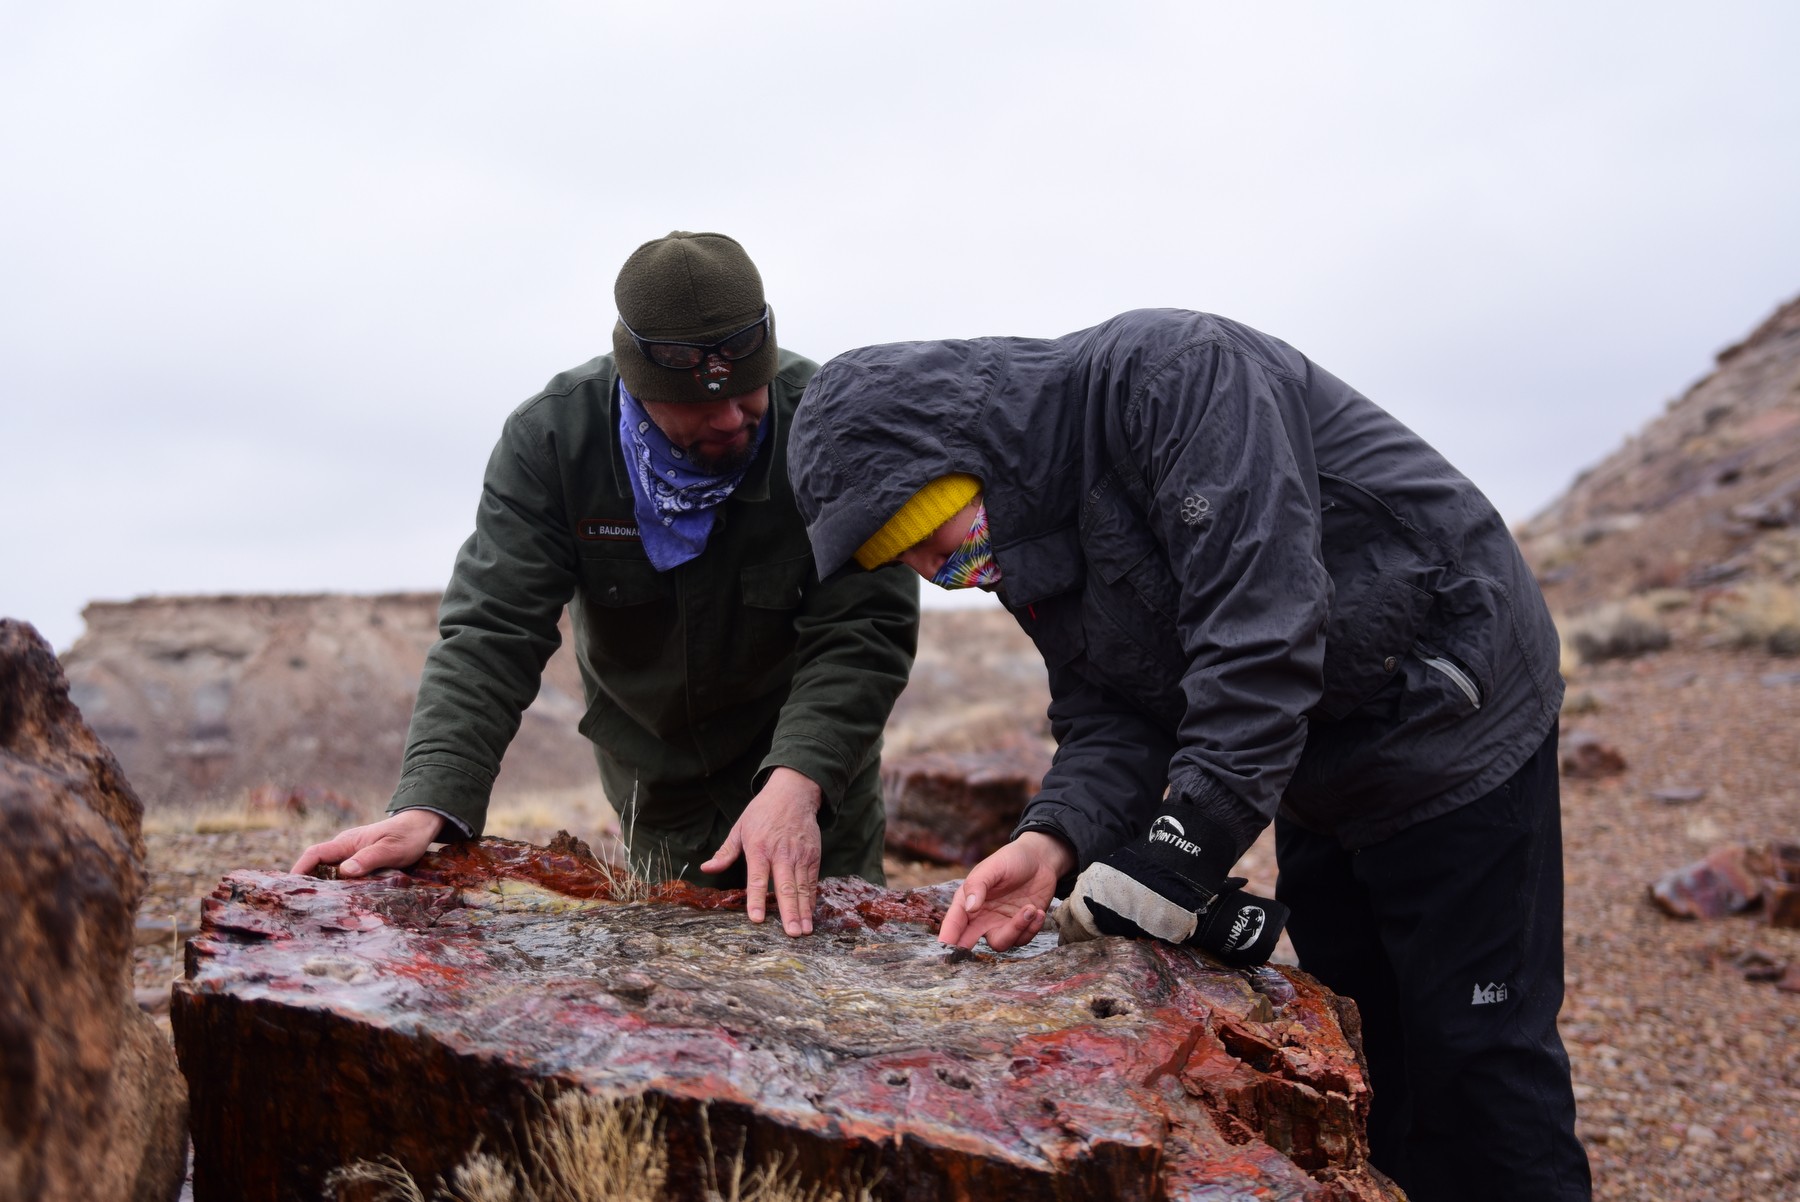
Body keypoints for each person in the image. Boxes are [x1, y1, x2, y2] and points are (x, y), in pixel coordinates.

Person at [785, 308, 1591, 1201]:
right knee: (1365, 1032)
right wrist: (1051, 843)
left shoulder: (1178, 378)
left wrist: (1180, 848)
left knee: (1477, 1057)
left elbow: (1263, 627)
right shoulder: (1022, 533)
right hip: (1317, 755)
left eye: (932, 544)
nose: (946, 575)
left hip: (1452, 707)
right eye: (916, 567)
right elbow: (1111, 714)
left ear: (957, 471)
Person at [293, 232, 920, 938]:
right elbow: (492, 631)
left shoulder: (827, 427)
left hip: (814, 772)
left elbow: (864, 628)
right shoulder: (553, 444)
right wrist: (428, 800)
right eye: (697, 405)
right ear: (638, 384)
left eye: (748, 394)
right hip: (661, 787)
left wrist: (802, 777)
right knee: (684, 981)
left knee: (838, 969)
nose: (729, 419)